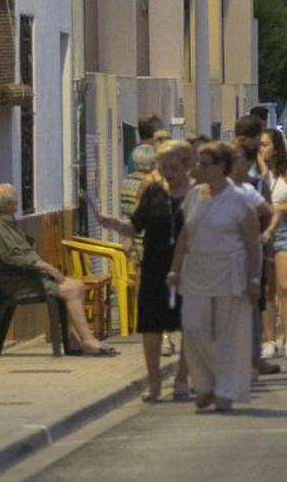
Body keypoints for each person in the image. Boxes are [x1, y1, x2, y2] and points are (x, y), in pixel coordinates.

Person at [168, 142, 262, 411]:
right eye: (198, 163)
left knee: (228, 334)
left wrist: (253, 279)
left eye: (205, 164)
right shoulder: (195, 195)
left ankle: (225, 389)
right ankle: (207, 383)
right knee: (194, 327)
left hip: (229, 272)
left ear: (221, 168)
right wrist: (175, 269)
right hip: (196, 271)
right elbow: (185, 236)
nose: (199, 169)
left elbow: (252, 243)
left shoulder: (240, 199)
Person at [97, 140, 194, 400]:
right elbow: (135, 225)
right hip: (154, 264)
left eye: (173, 167)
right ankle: (154, 383)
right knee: (151, 324)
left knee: (189, 324)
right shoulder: (153, 192)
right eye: (163, 167)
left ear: (186, 165)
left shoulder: (198, 194)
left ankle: (183, 380)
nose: (168, 173)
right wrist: (114, 224)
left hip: (189, 267)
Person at [0, 184, 118, 356]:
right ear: (8, 204)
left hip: (29, 278)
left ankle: (75, 338)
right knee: (71, 289)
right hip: (20, 284)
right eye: (14, 201)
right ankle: (88, 340)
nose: (17, 204)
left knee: (77, 285)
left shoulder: (5, 223)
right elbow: (13, 256)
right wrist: (46, 267)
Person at [228, 137, 280, 377]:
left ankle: (253, 357)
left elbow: (270, 214)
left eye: (238, 158)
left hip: (252, 254)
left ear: (247, 161)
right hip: (226, 257)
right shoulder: (220, 187)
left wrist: (267, 239)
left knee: (253, 306)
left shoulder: (256, 186)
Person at [259, 128, 287, 360]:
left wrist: (272, 209)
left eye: (265, 145)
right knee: (267, 289)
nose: (261, 149)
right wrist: (263, 170)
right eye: (259, 146)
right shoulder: (255, 174)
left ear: (276, 147)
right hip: (262, 232)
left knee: (285, 286)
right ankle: (268, 339)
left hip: (285, 232)